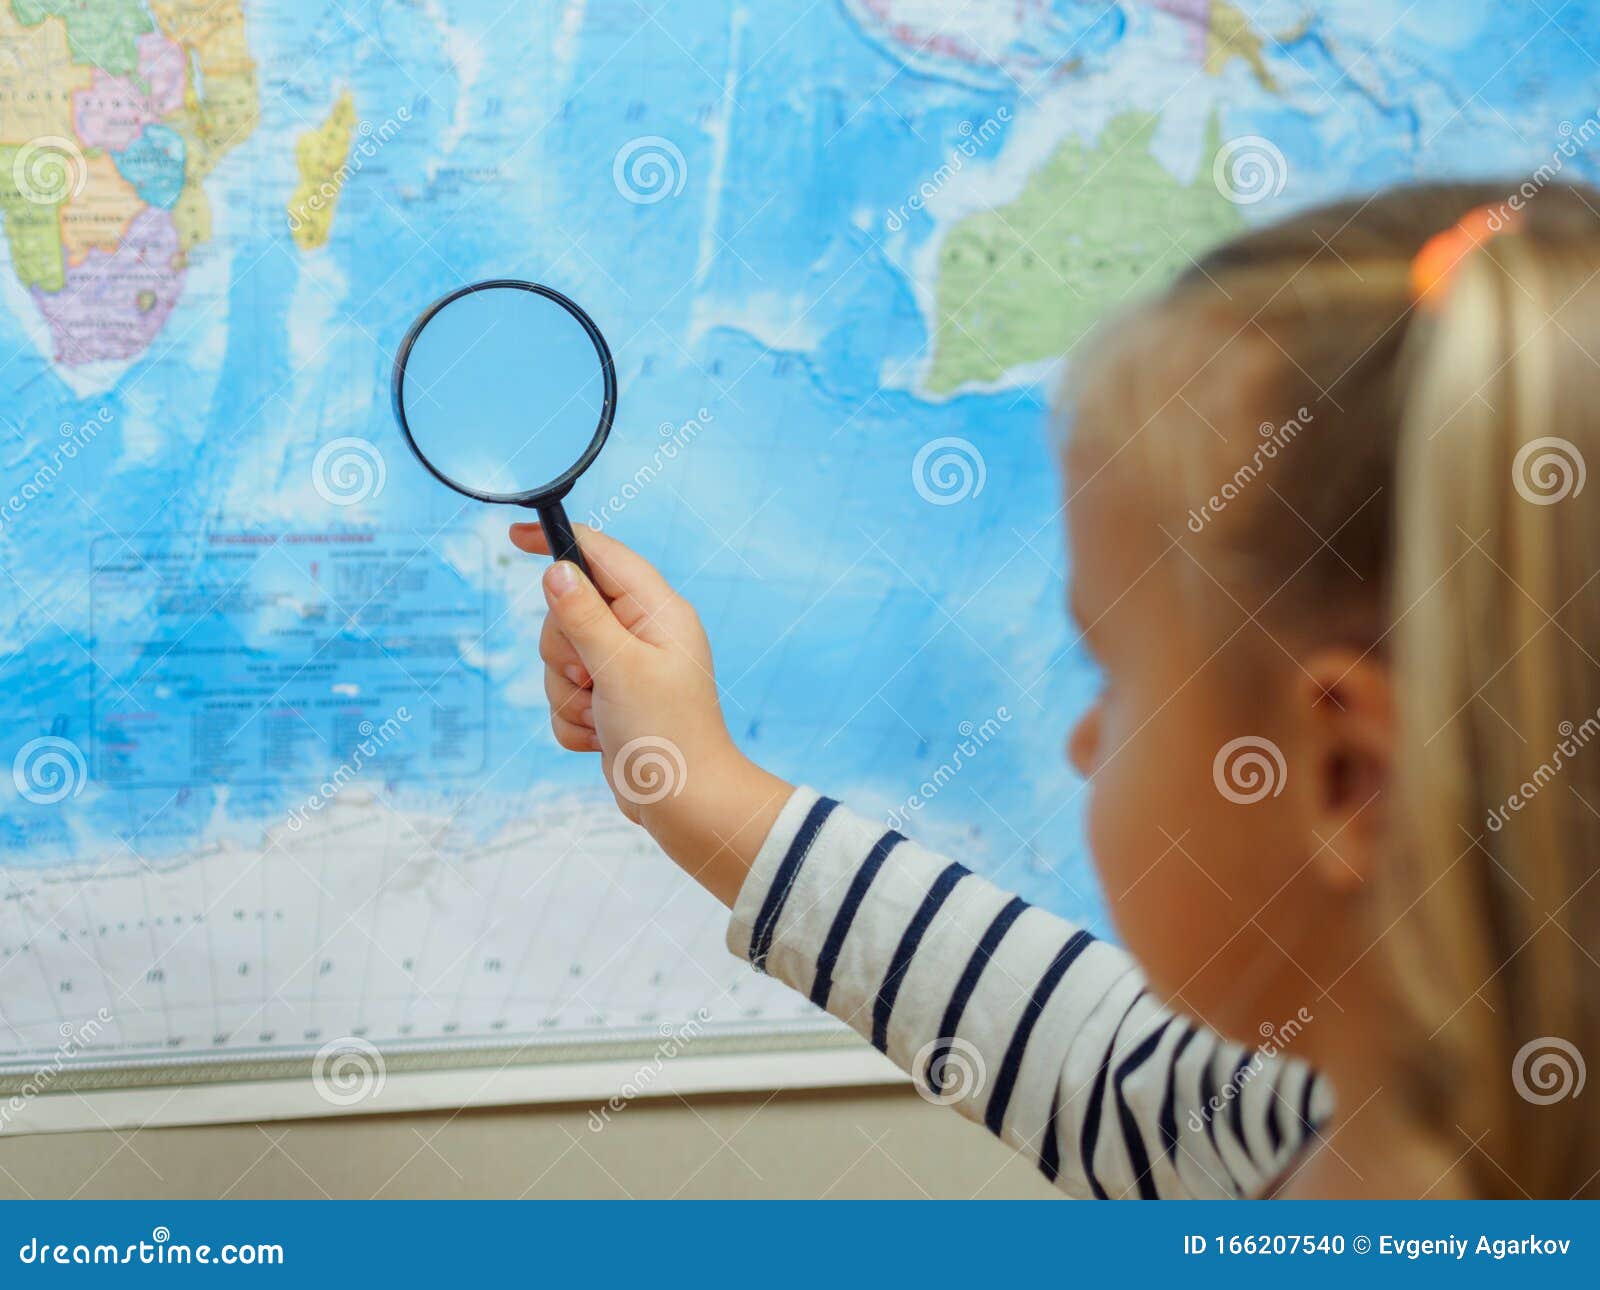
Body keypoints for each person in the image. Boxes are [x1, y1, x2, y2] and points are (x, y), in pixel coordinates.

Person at [513, 180, 1600, 1198]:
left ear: (1345, 774)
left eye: (1112, 674)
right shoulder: (1325, 1117)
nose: (1086, 742)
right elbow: (1108, 1073)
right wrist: (693, 786)